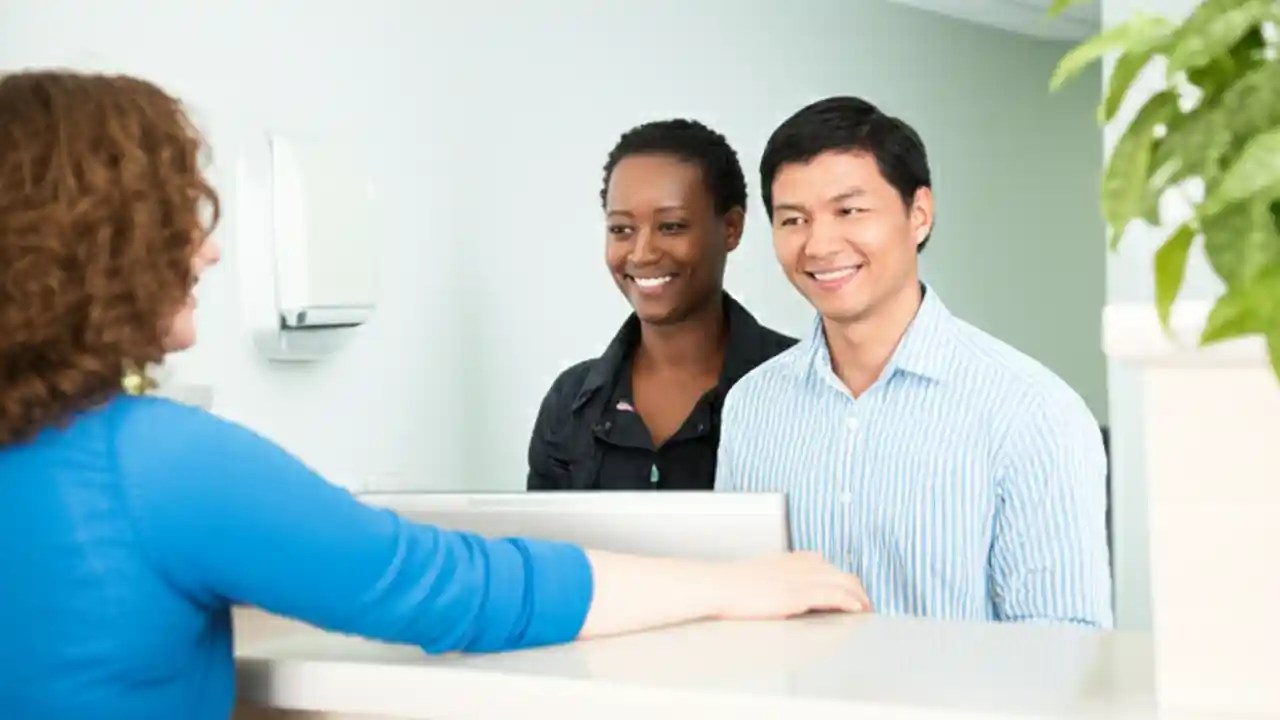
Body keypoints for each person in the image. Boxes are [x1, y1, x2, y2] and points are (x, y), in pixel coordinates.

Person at [0, 72, 871, 719]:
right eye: (183, 223)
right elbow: (455, 589)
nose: (211, 253)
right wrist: (733, 586)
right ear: (100, 248)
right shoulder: (155, 462)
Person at [715, 96, 1112, 627]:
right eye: (793, 219)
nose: (819, 243)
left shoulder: (1033, 412)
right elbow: (737, 609)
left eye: (849, 211)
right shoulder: (751, 406)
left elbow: (1067, 649)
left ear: (919, 214)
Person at [527, 119, 794, 491]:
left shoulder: (802, 386)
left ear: (731, 228)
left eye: (671, 226)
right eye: (622, 229)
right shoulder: (571, 402)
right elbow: (548, 548)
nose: (642, 253)